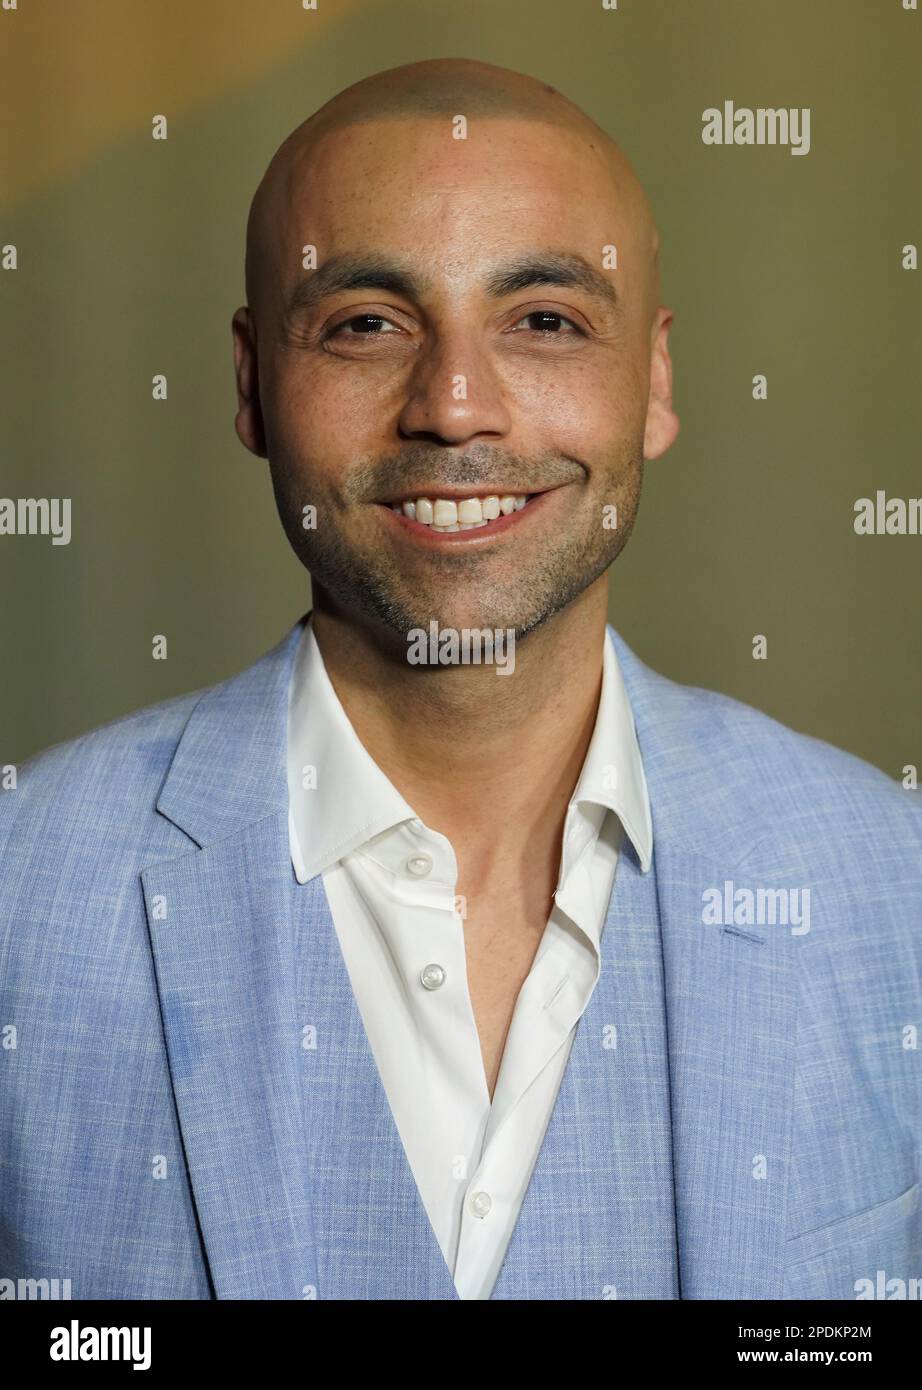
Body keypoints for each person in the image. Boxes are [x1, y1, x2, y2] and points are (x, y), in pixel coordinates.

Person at [1, 58, 919, 1302]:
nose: (454, 406)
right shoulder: (22, 891)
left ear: (650, 382)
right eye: (366, 323)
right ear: (250, 385)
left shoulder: (887, 882)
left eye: (543, 318)